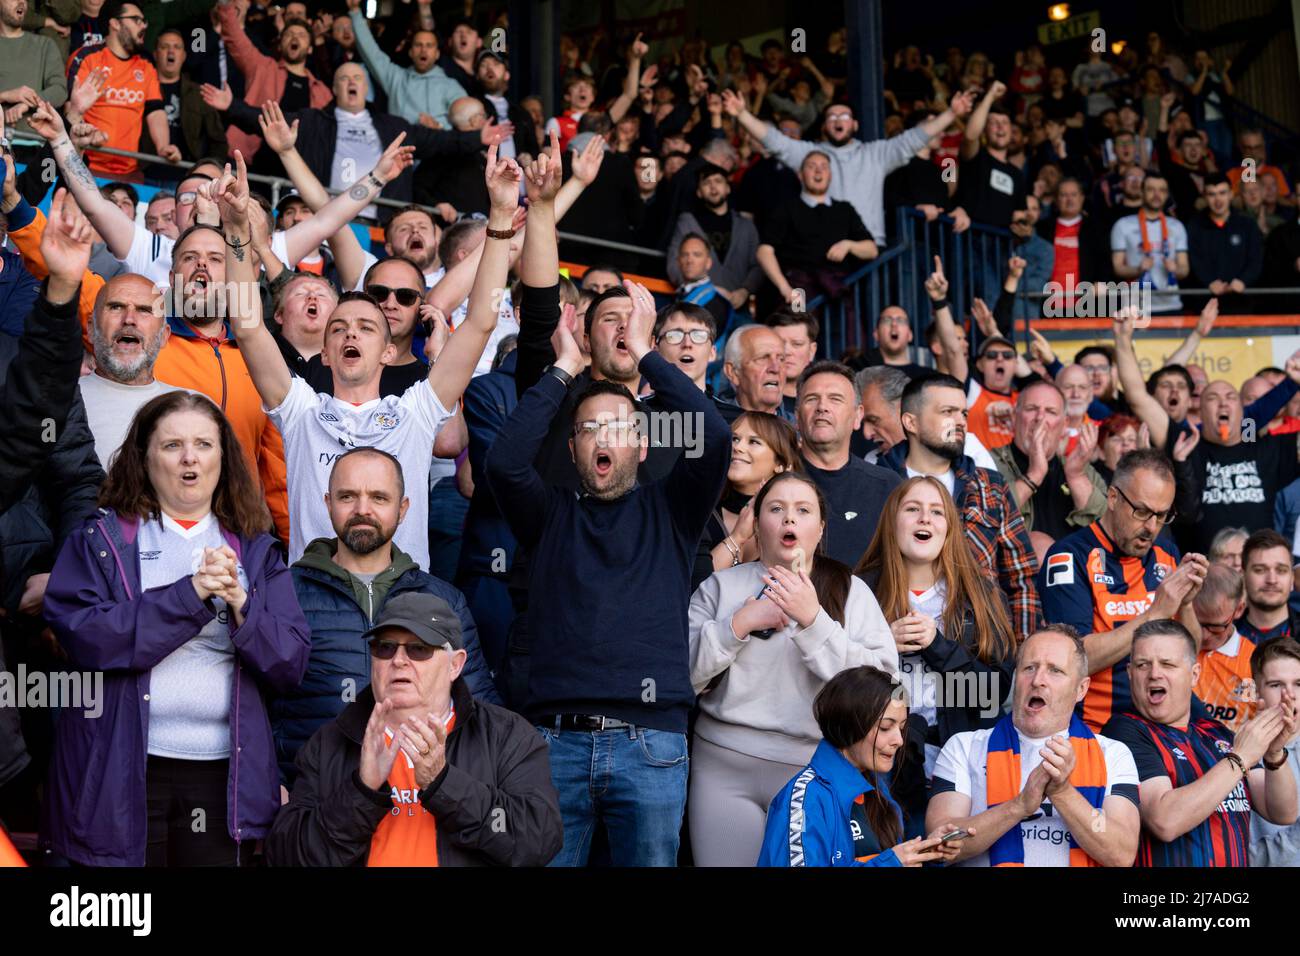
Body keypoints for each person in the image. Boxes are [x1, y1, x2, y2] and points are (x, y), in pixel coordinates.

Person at [485, 278, 730, 867]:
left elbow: (714, 435)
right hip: (554, 743)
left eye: (618, 427)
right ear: (572, 451)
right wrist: (565, 368)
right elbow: (504, 460)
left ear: (642, 446)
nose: (603, 438)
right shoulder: (548, 517)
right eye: (589, 429)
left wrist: (647, 352)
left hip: (651, 745)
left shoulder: (673, 510)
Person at [42, 390, 311, 865]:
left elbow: (289, 664)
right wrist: (190, 595)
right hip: (122, 770)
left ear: (223, 458)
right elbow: (85, 639)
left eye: (204, 444)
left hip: (222, 775)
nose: (190, 458)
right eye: (172, 445)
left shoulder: (257, 549)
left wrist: (241, 605)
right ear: (143, 458)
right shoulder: (101, 539)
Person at [220, 144, 500, 568]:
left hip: (401, 610)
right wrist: (238, 232)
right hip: (316, 603)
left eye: (367, 327)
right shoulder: (300, 410)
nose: (351, 331)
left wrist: (498, 221)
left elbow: (481, 320)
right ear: (327, 354)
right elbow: (245, 323)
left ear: (389, 351)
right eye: (340, 328)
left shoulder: (415, 412)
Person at [688, 472, 896, 866]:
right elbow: (685, 678)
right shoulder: (720, 588)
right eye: (776, 509)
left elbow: (886, 689)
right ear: (756, 526)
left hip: (813, 769)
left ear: (819, 529)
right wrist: (740, 624)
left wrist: (813, 620)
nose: (788, 519)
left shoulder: (851, 592)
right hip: (723, 766)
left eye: (802, 511)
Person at [266, 591, 563, 866]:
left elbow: (537, 841)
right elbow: (290, 855)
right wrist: (362, 790)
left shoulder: (506, 735)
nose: (398, 660)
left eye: (419, 649)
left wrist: (443, 783)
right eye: (385, 647)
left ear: (455, 665)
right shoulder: (332, 740)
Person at [273, 446, 500, 781]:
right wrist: (272, 786)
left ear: (403, 508)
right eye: (348, 496)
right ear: (328, 503)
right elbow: (255, 706)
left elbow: (481, 711)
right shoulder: (284, 593)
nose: (362, 509)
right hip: (314, 793)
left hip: (419, 799)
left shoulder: (442, 599)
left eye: (379, 498)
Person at [0, 187, 100, 825]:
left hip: (26, 621)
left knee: (30, 805)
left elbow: (66, 467)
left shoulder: (22, 356)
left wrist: (63, 578)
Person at [856, 478, 1016, 815]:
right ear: (892, 522)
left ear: (949, 529)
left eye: (936, 512)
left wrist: (938, 646)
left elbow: (993, 693)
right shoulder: (859, 591)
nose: (925, 519)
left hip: (964, 771)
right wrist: (884, 646)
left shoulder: (981, 597)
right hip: (882, 770)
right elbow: (837, 685)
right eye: (912, 509)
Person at [926, 625, 1142, 866]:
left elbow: (1121, 853)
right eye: (1029, 668)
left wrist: (1063, 793)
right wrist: (1018, 806)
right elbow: (940, 843)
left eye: (1055, 671)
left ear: (1081, 689)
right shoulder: (964, 747)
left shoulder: (1113, 754)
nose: (1038, 680)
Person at [1102, 619, 1298, 866]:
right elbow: (1164, 821)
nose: (1154, 674)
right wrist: (1239, 760)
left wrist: (1274, 753)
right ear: (1130, 674)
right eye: (1143, 665)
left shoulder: (1217, 733)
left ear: (1194, 675)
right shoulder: (1123, 731)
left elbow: (1282, 812)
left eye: (1167, 664)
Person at [1040, 449, 1209, 730]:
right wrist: (1154, 614)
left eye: (1162, 515)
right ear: (1114, 497)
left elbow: (1190, 650)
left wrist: (1187, 605)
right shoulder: (1069, 556)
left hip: (1166, 723)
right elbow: (1074, 659)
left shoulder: (1166, 553)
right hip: (1101, 727)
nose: (1151, 527)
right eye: (1142, 512)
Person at [1114, 312, 1300, 555]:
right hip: (1201, 576)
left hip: (1256, 575)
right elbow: (1138, 396)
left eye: (1231, 397)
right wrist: (1121, 337)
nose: (1223, 403)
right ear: (1199, 411)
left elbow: (1260, 412)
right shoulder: (1185, 441)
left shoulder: (1260, 445)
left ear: (1243, 410)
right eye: (1212, 397)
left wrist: (1292, 383)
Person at [878, 373, 1041, 642]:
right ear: (911, 422)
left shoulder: (990, 486)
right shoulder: (879, 483)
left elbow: (1021, 577)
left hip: (980, 651)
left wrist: (1021, 651)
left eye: (963, 413)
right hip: (898, 650)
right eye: (948, 412)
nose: (961, 422)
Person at [722, 85, 975, 247]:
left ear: (855, 125)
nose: (837, 120)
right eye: (831, 117)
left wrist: (951, 114)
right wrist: (742, 114)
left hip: (869, 247)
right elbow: (775, 141)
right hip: (823, 249)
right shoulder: (811, 154)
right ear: (824, 127)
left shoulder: (875, 153)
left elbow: (913, 139)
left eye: (844, 116)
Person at [759, 665, 961, 867]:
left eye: (901, 729)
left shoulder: (880, 793)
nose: (899, 740)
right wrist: (891, 864)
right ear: (849, 725)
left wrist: (925, 855)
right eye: (885, 728)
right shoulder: (806, 797)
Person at [795, 361, 902, 567]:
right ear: (798, 416)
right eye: (811, 399)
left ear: (858, 416)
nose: (822, 407)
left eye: (835, 399)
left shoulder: (887, 486)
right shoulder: (777, 479)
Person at [78, 273, 183, 467]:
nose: (129, 319)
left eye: (144, 310)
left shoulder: (195, 408)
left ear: (164, 336)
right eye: (116, 307)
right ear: (91, 330)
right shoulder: (54, 402)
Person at [755, 151, 878, 318]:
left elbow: (871, 249)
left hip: (838, 286)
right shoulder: (786, 208)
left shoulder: (845, 209)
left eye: (824, 167)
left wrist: (848, 245)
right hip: (797, 288)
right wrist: (785, 288)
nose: (818, 171)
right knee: (797, 334)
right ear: (800, 175)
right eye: (812, 166)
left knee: (847, 340)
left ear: (830, 175)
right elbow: (764, 252)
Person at [66, 1, 179, 177]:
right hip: (85, 166)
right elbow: (69, 108)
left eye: (144, 21)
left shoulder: (146, 66)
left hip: (129, 172)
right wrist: (85, 131)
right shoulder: (86, 58)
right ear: (115, 23)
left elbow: (155, 111)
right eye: (136, 20)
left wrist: (163, 147)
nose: (144, 25)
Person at [992, 381, 1106, 540]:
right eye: (1031, 409)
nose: (1040, 418)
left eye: (1051, 412)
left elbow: (1108, 529)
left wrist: (1076, 476)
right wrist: (1035, 475)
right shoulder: (988, 460)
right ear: (1014, 416)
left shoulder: (1080, 468)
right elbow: (987, 515)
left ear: (1065, 424)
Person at [698, 411, 800, 583]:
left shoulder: (795, 519)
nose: (737, 447)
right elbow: (696, 587)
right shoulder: (700, 507)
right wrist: (738, 537)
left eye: (753, 441)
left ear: (780, 464)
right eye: (735, 439)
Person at [345, 0, 465, 129]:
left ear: (437, 54)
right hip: (400, 145)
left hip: (439, 145)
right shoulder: (396, 78)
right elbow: (371, 52)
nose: (423, 50)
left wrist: (440, 127)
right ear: (411, 52)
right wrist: (355, 12)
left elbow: (467, 118)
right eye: (418, 45)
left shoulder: (451, 85)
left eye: (429, 46)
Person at [666, 162, 762, 312]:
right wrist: (705, 289)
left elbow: (757, 266)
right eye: (706, 182)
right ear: (699, 192)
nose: (713, 186)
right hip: (698, 305)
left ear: (728, 188)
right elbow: (673, 263)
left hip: (737, 306)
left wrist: (744, 291)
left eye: (718, 181)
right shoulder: (687, 222)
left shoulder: (746, 226)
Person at [144, 28, 227, 173]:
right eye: (164, 47)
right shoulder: (140, 88)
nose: (171, 51)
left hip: (185, 175)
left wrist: (208, 172)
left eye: (177, 47)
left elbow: (218, 141)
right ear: (155, 54)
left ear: (183, 56)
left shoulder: (199, 94)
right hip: (144, 171)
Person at [1249, 638, 1300, 865]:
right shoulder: (1237, 753)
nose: (1289, 695)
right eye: (1276, 685)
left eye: (1299, 683)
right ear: (1255, 690)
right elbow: (1245, 857)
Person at [1110, 173, 1190, 314]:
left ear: (1167, 195)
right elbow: (1117, 268)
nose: (1157, 194)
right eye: (1151, 189)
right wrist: (1137, 269)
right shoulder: (1123, 225)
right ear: (1141, 192)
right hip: (1136, 307)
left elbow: (1184, 269)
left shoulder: (1177, 226)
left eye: (1162, 190)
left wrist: (1175, 270)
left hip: (1171, 305)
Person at [1192, 564, 1257, 732]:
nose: (1204, 635)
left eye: (1215, 626)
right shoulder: (1171, 651)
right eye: (1198, 623)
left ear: (1239, 609)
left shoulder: (1254, 661)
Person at [957, 82, 1028, 232]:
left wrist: (1023, 227)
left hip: (1000, 247)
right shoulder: (977, 156)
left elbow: (1019, 213)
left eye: (1004, 123)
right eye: (994, 123)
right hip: (970, 238)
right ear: (984, 130)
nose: (1000, 127)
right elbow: (970, 136)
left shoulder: (1017, 175)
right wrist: (990, 96)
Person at [1187, 173, 1263, 312]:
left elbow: (1256, 259)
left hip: (1243, 302)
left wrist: (1243, 280)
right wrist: (1209, 281)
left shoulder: (1247, 224)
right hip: (1205, 304)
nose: (1218, 200)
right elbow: (1194, 259)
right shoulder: (1195, 226)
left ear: (1231, 194)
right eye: (1212, 194)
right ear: (1204, 197)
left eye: (1222, 193)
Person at [0, 0, 67, 145]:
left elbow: (60, 90)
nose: (21, 2)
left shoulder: (45, 45)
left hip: (33, 144)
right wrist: (6, 96)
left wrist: (28, 104)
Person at [1237, 529, 1300, 644]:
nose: (1271, 580)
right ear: (1243, 576)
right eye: (1260, 570)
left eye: (1281, 570)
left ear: (1292, 579)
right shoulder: (1221, 638)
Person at [722, 324, 787, 417]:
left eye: (781, 359)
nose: (775, 368)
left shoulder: (800, 429)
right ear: (732, 372)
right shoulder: (702, 424)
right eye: (762, 358)